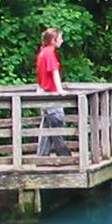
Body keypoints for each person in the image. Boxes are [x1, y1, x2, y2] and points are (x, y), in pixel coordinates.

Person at [34, 28, 71, 157]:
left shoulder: (42, 52)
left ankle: (41, 156)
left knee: (47, 125)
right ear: (53, 40)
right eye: (60, 38)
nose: (62, 40)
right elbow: (54, 71)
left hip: (42, 90)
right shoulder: (49, 53)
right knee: (57, 123)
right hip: (49, 92)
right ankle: (65, 155)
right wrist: (60, 90)